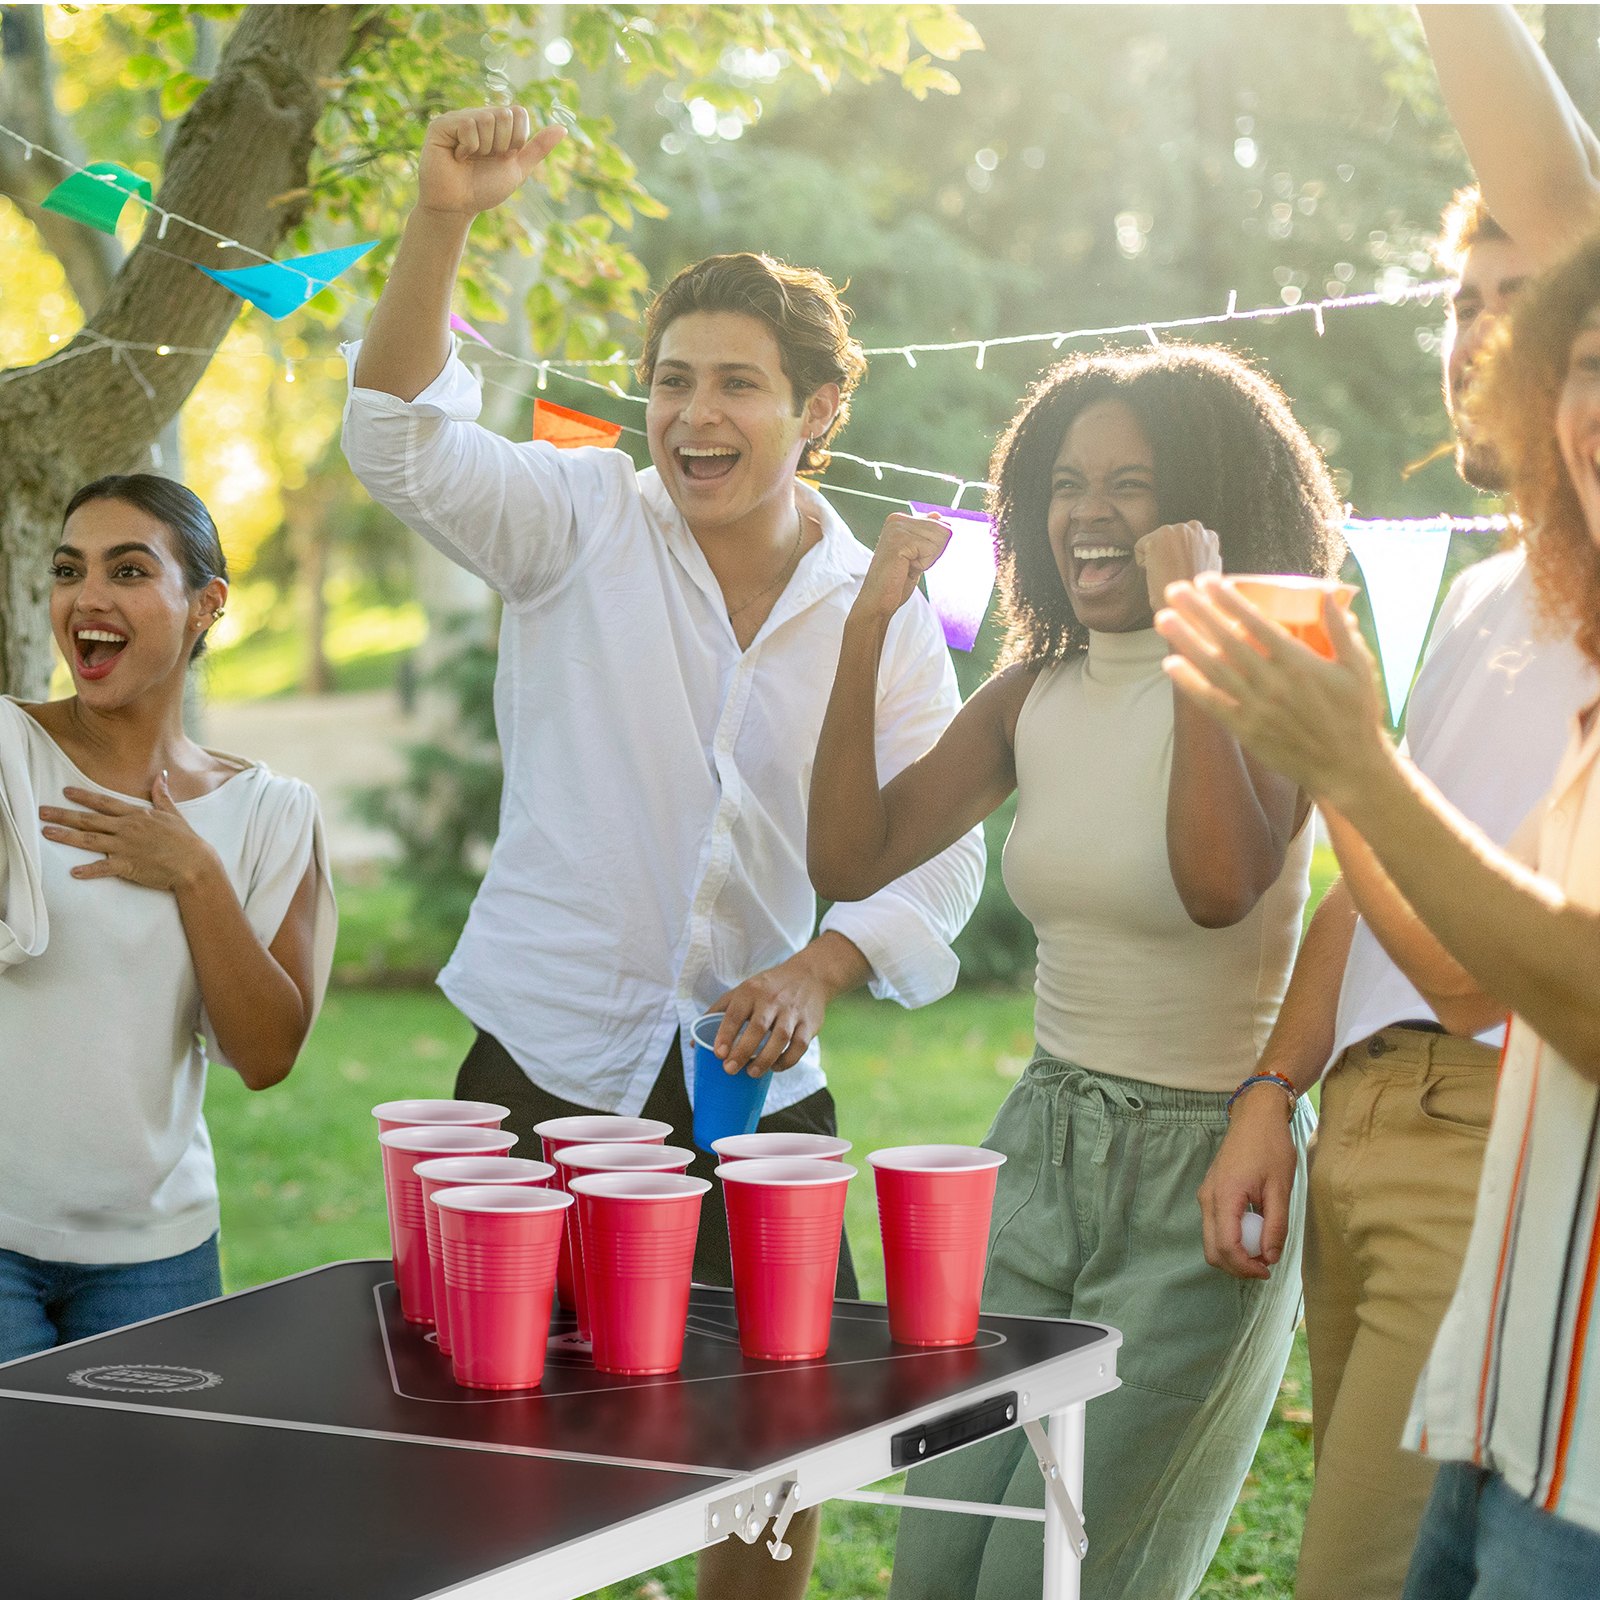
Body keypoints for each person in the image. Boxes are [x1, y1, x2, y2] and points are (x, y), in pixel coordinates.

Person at [341, 107, 983, 1599]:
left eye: (738, 385)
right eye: (673, 381)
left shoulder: (878, 606)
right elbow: (391, 435)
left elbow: (942, 855)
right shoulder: (573, 518)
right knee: (488, 1457)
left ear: (820, 407)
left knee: (779, 1452)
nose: (695, 413)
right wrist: (444, 215)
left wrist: (827, 963)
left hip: (756, 1094)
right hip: (542, 1056)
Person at [809, 341, 1343, 1599]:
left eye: (1131, 483)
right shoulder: (1029, 691)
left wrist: (1201, 626)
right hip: (1041, 1150)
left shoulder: (1276, 678)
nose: (1087, 514)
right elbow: (852, 855)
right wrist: (866, 630)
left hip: (1202, 1174)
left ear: (1213, 507)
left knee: (1060, 1578)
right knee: (939, 1566)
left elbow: (1221, 886)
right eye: (1063, 483)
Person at [1196, 10, 1600, 1594]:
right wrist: (1277, 1089)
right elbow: (1370, 898)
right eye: (1469, 304)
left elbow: (1464, 961)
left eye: (1541, 311)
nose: (1486, 341)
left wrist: (1336, 753)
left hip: (1478, 1122)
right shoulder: (1503, 592)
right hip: (1395, 1141)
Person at [0, 475, 335, 1363]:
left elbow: (265, 1055)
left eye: (130, 570)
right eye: (70, 571)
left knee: (149, 1500)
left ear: (205, 606)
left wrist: (194, 871)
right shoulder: (6, 755)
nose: (88, 599)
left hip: (156, 1255)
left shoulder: (271, 813)